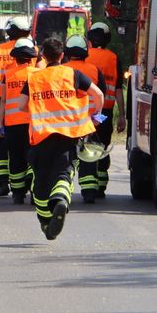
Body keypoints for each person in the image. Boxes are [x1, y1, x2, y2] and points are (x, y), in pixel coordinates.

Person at [25, 37, 103, 240]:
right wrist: (96, 116)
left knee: (41, 184)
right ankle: (60, 199)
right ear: (62, 55)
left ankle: (45, 221)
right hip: (68, 137)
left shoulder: (34, 78)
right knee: (64, 174)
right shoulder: (73, 74)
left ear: (43, 55)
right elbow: (98, 94)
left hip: (41, 138)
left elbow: (20, 106)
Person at [0, 16, 31, 197]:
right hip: (29, 102)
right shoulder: (33, 49)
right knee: (28, 143)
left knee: (0, 143)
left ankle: (2, 181)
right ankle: (28, 177)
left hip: (3, 100)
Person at [62, 35, 107, 204]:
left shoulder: (62, 69)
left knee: (66, 157)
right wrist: (97, 116)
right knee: (88, 156)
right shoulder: (94, 70)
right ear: (85, 52)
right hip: (87, 122)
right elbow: (101, 94)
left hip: (65, 122)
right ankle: (89, 191)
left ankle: (63, 187)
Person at [86, 22, 125, 197]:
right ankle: (101, 183)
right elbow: (118, 90)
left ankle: (89, 183)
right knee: (102, 145)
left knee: (87, 145)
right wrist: (122, 115)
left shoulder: (84, 56)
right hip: (104, 114)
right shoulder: (114, 58)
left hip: (85, 112)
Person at [0, 37, 39, 204]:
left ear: (15, 57)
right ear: (31, 57)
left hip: (12, 123)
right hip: (33, 123)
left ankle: (17, 193)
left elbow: (3, 101)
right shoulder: (37, 74)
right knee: (33, 155)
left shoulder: (8, 75)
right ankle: (31, 180)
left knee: (15, 158)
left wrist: (0, 123)